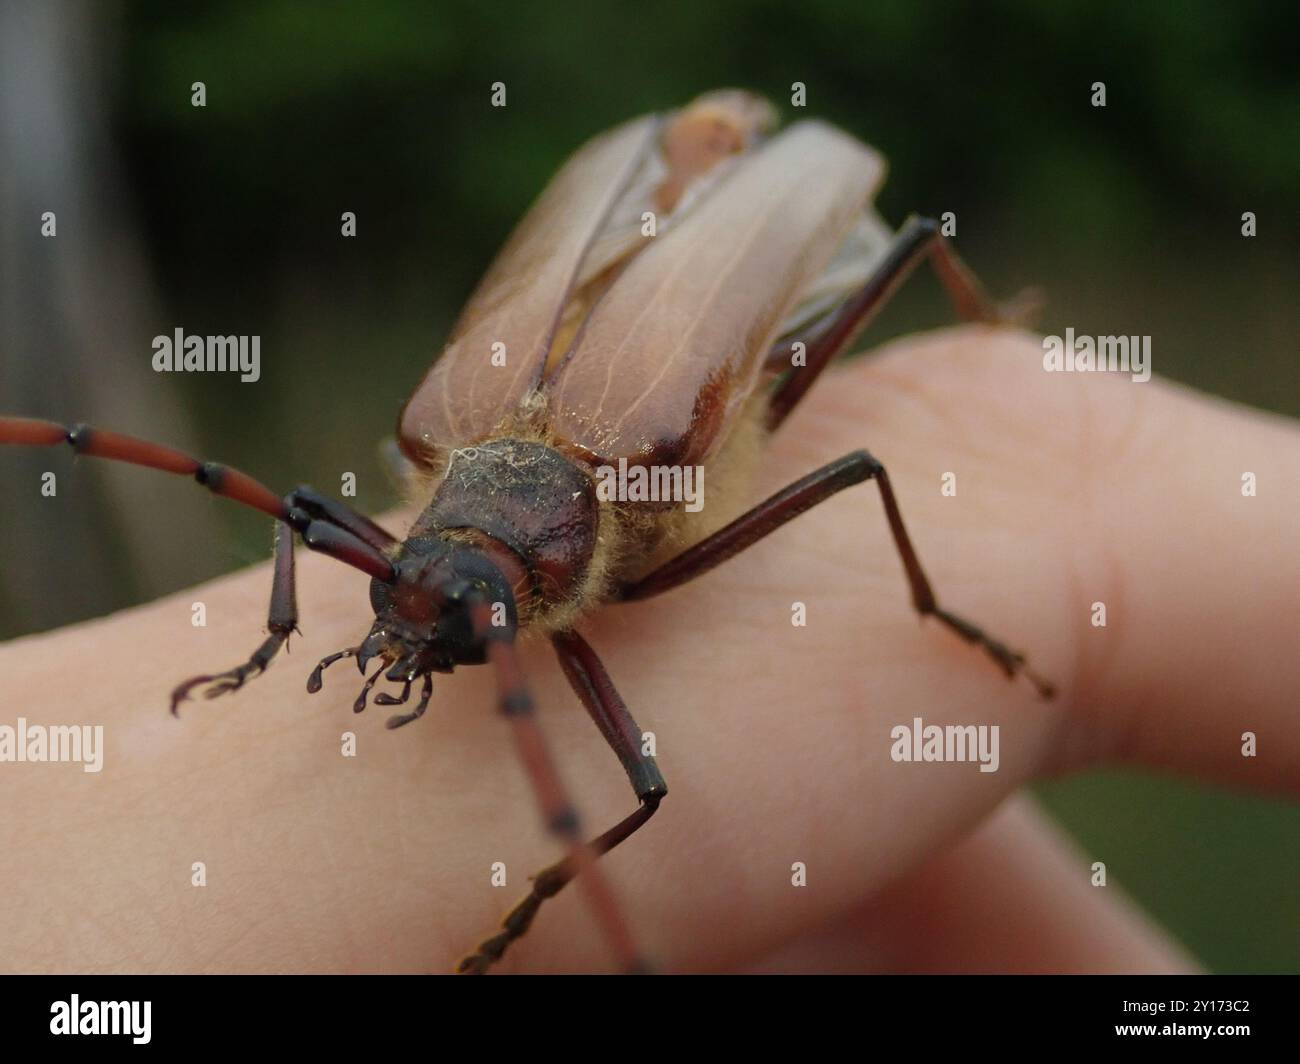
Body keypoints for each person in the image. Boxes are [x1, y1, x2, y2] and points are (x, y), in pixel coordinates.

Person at [1, 326, 1294, 973]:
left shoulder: (623, 552)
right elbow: (293, 513)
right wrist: (269, 644)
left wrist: (531, 903)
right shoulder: (437, 505)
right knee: (275, 497)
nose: (410, 621)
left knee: (851, 454)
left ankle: (934, 604)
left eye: (443, 614)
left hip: (673, 387)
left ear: (554, 589)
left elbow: (858, 464)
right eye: (413, 596)